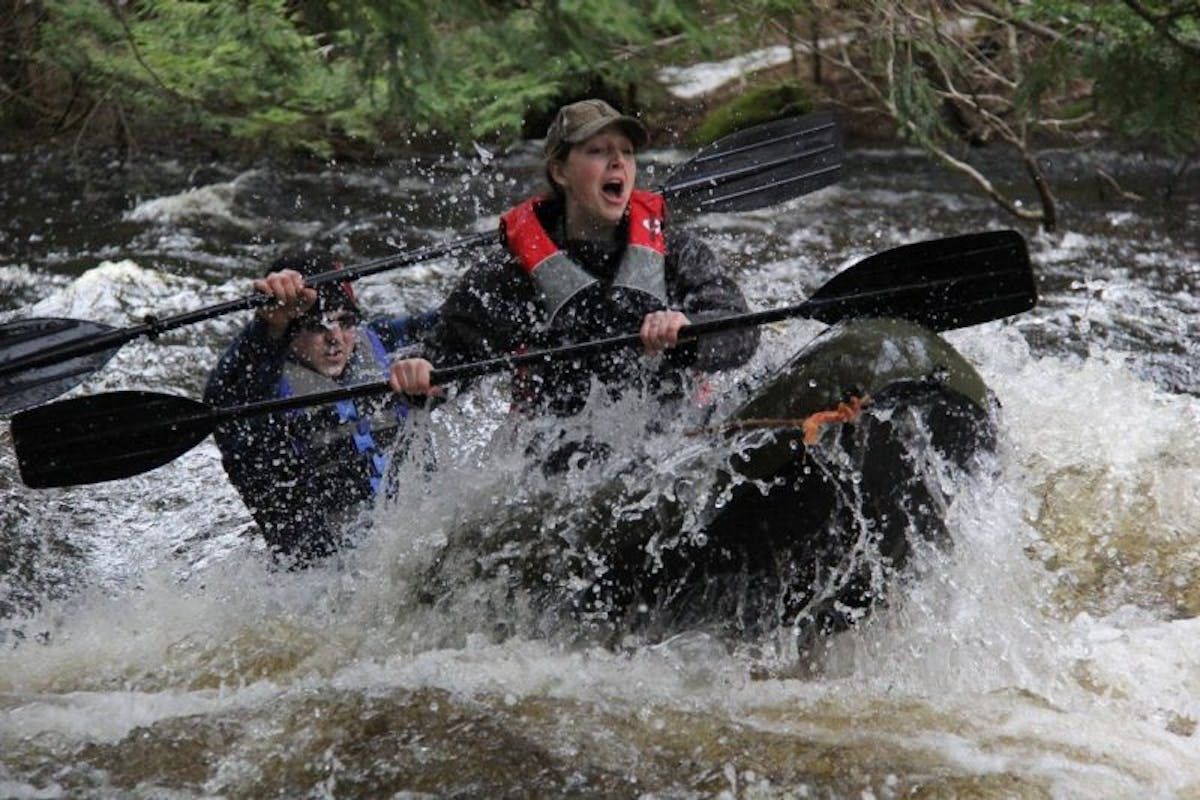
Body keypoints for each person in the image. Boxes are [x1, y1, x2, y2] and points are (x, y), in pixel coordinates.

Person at [387, 98, 759, 424]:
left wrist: (689, 328)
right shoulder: (510, 275)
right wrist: (419, 374)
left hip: (672, 437)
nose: (618, 161)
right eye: (597, 150)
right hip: (559, 458)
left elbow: (741, 332)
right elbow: (445, 361)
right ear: (560, 171)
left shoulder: (675, 252)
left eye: (627, 151)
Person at [204, 248, 436, 564]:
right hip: (325, 580)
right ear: (287, 331)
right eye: (316, 326)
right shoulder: (261, 393)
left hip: (421, 546)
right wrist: (267, 326)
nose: (335, 338)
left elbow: (464, 326)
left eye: (346, 321)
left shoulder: (386, 344)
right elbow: (222, 402)